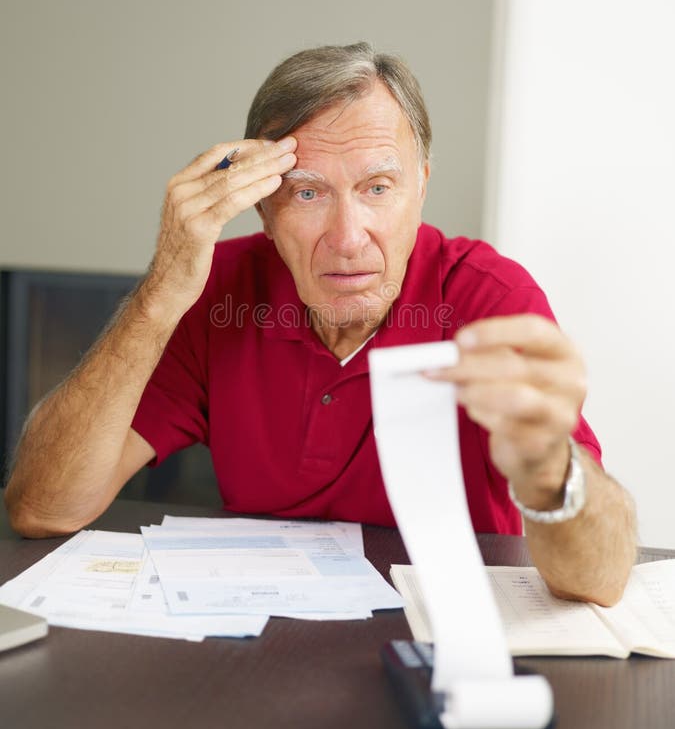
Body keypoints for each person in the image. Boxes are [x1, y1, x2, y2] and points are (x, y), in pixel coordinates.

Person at [4, 43, 635, 605]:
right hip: (255, 647)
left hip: (440, 642)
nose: (347, 237)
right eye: (308, 193)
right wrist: (161, 293)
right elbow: (42, 507)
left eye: (378, 187)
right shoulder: (216, 288)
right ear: (261, 209)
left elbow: (600, 581)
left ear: (422, 188)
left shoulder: (487, 296)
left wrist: (552, 467)